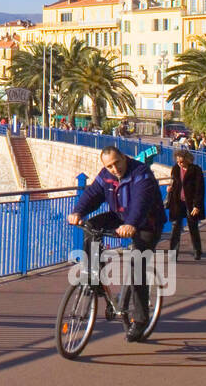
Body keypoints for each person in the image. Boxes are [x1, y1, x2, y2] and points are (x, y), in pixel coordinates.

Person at [66, 146, 164, 341]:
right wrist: (78, 212)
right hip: (121, 216)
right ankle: (93, 273)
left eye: (117, 162)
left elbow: (141, 202)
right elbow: (92, 194)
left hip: (146, 222)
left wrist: (131, 224)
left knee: (138, 265)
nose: (114, 168)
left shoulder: (141, 173)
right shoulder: (106, 175)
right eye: (109, 166)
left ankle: (141, 319)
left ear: (124, 157)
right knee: (91, 226)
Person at [166, 149, 205, 260]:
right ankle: (173, 254)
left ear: (188, 160)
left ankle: (197, 251)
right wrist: (170, 188)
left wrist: (197, 205)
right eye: (178, 161)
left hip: (191, 203)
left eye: (182, 161)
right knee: (175, 229)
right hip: (177, 202)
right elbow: (174, 183)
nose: (179, 163)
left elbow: (200, 189)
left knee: (193, 227)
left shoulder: (196, 170)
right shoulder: (175, 169)